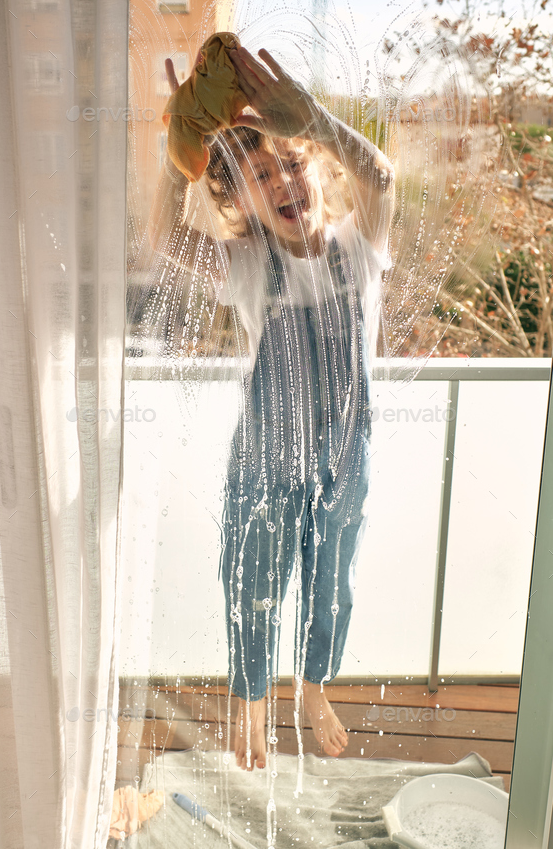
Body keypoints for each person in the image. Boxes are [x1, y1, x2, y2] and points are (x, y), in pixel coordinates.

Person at [146, 42, 394, 771]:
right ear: (242, 203)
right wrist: (178, 154)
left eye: (292, 162)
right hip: (265, 465)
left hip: (347, 457)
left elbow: (378, 173)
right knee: (253, 584)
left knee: (331, 584)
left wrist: (315, 119)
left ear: (317, 171)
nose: (283, 180)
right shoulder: (253, 266)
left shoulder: (361, 246)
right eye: (260, 175)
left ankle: (313, 686)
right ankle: (252, 695)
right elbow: (162, 239)